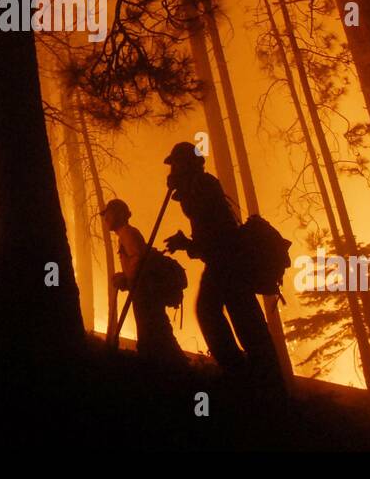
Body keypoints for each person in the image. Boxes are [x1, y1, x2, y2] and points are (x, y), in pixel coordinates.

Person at [161, 142, 283, 387]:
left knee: (225, 314)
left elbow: (214, 232)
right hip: (224, 261)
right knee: (239, 316)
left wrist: (188, 244)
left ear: (188, 163)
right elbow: (208, 231)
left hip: (227, 262)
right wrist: (188, 243)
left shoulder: (202, 186)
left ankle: (250, 375)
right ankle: (258, 375)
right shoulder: (200, 186)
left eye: (176, 163)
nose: (172, 169)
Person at [104, 198, 185, 366]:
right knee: (156, 329)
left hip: (146, 294)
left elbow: (139, 259)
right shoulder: (125, 235)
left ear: (118, 214)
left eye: (109, 214)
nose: (106, 219)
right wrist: (126, 279)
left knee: (153, 330)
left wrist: (126, 279)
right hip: (144, 291)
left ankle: (170, 367)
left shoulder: (128, 233)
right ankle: (173, 366)